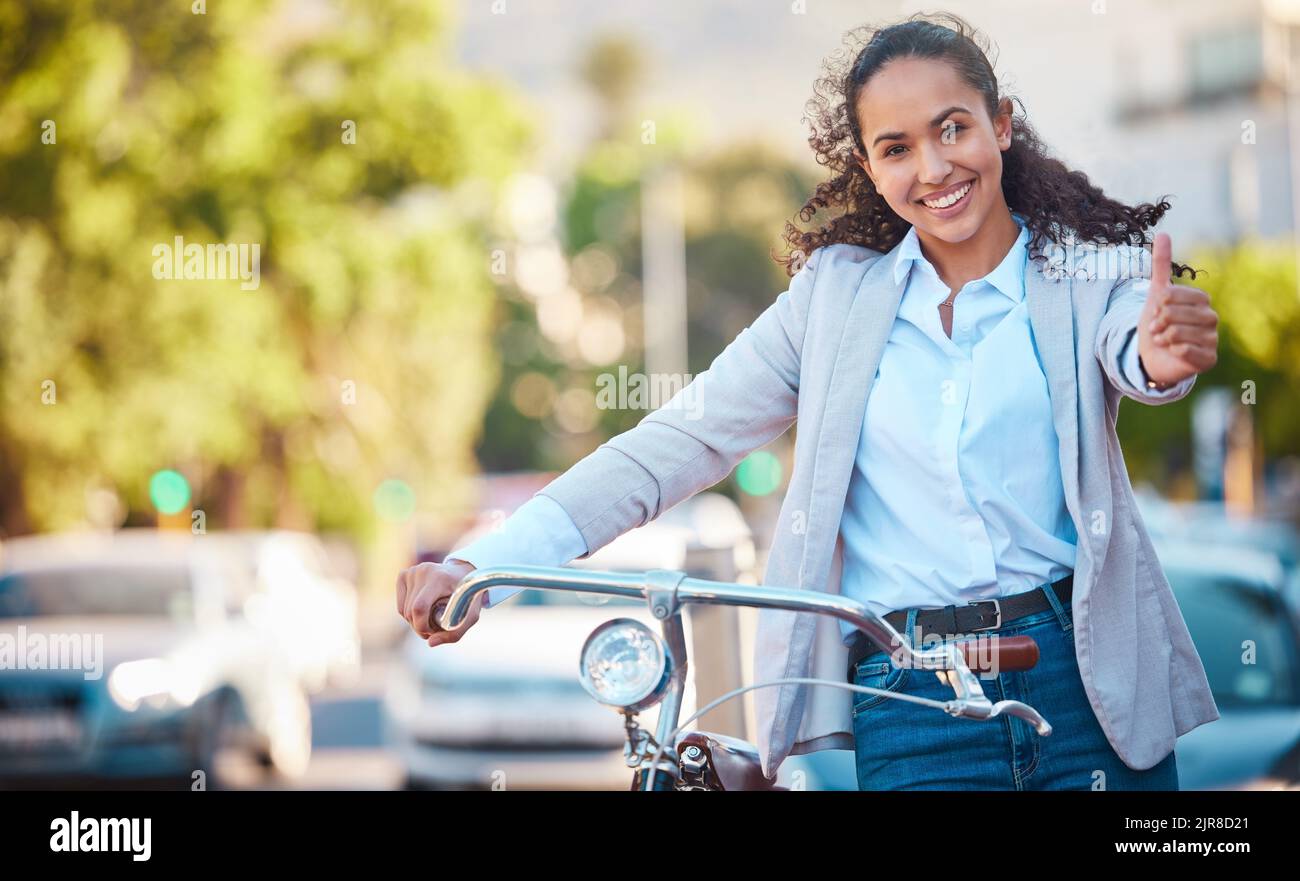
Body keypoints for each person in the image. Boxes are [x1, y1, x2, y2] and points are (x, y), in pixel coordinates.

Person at [396, 13, 1221, 790]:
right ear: (868, 165)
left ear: (1000, 123)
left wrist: (1156, 356)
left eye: (953, 128)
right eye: (896, 147)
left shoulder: (1089, 274)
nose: (933, 169)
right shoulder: (832, 302)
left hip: (1086, 689)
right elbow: (674, 444)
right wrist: (486, 566)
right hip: (909, 699)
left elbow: (1136, 349)